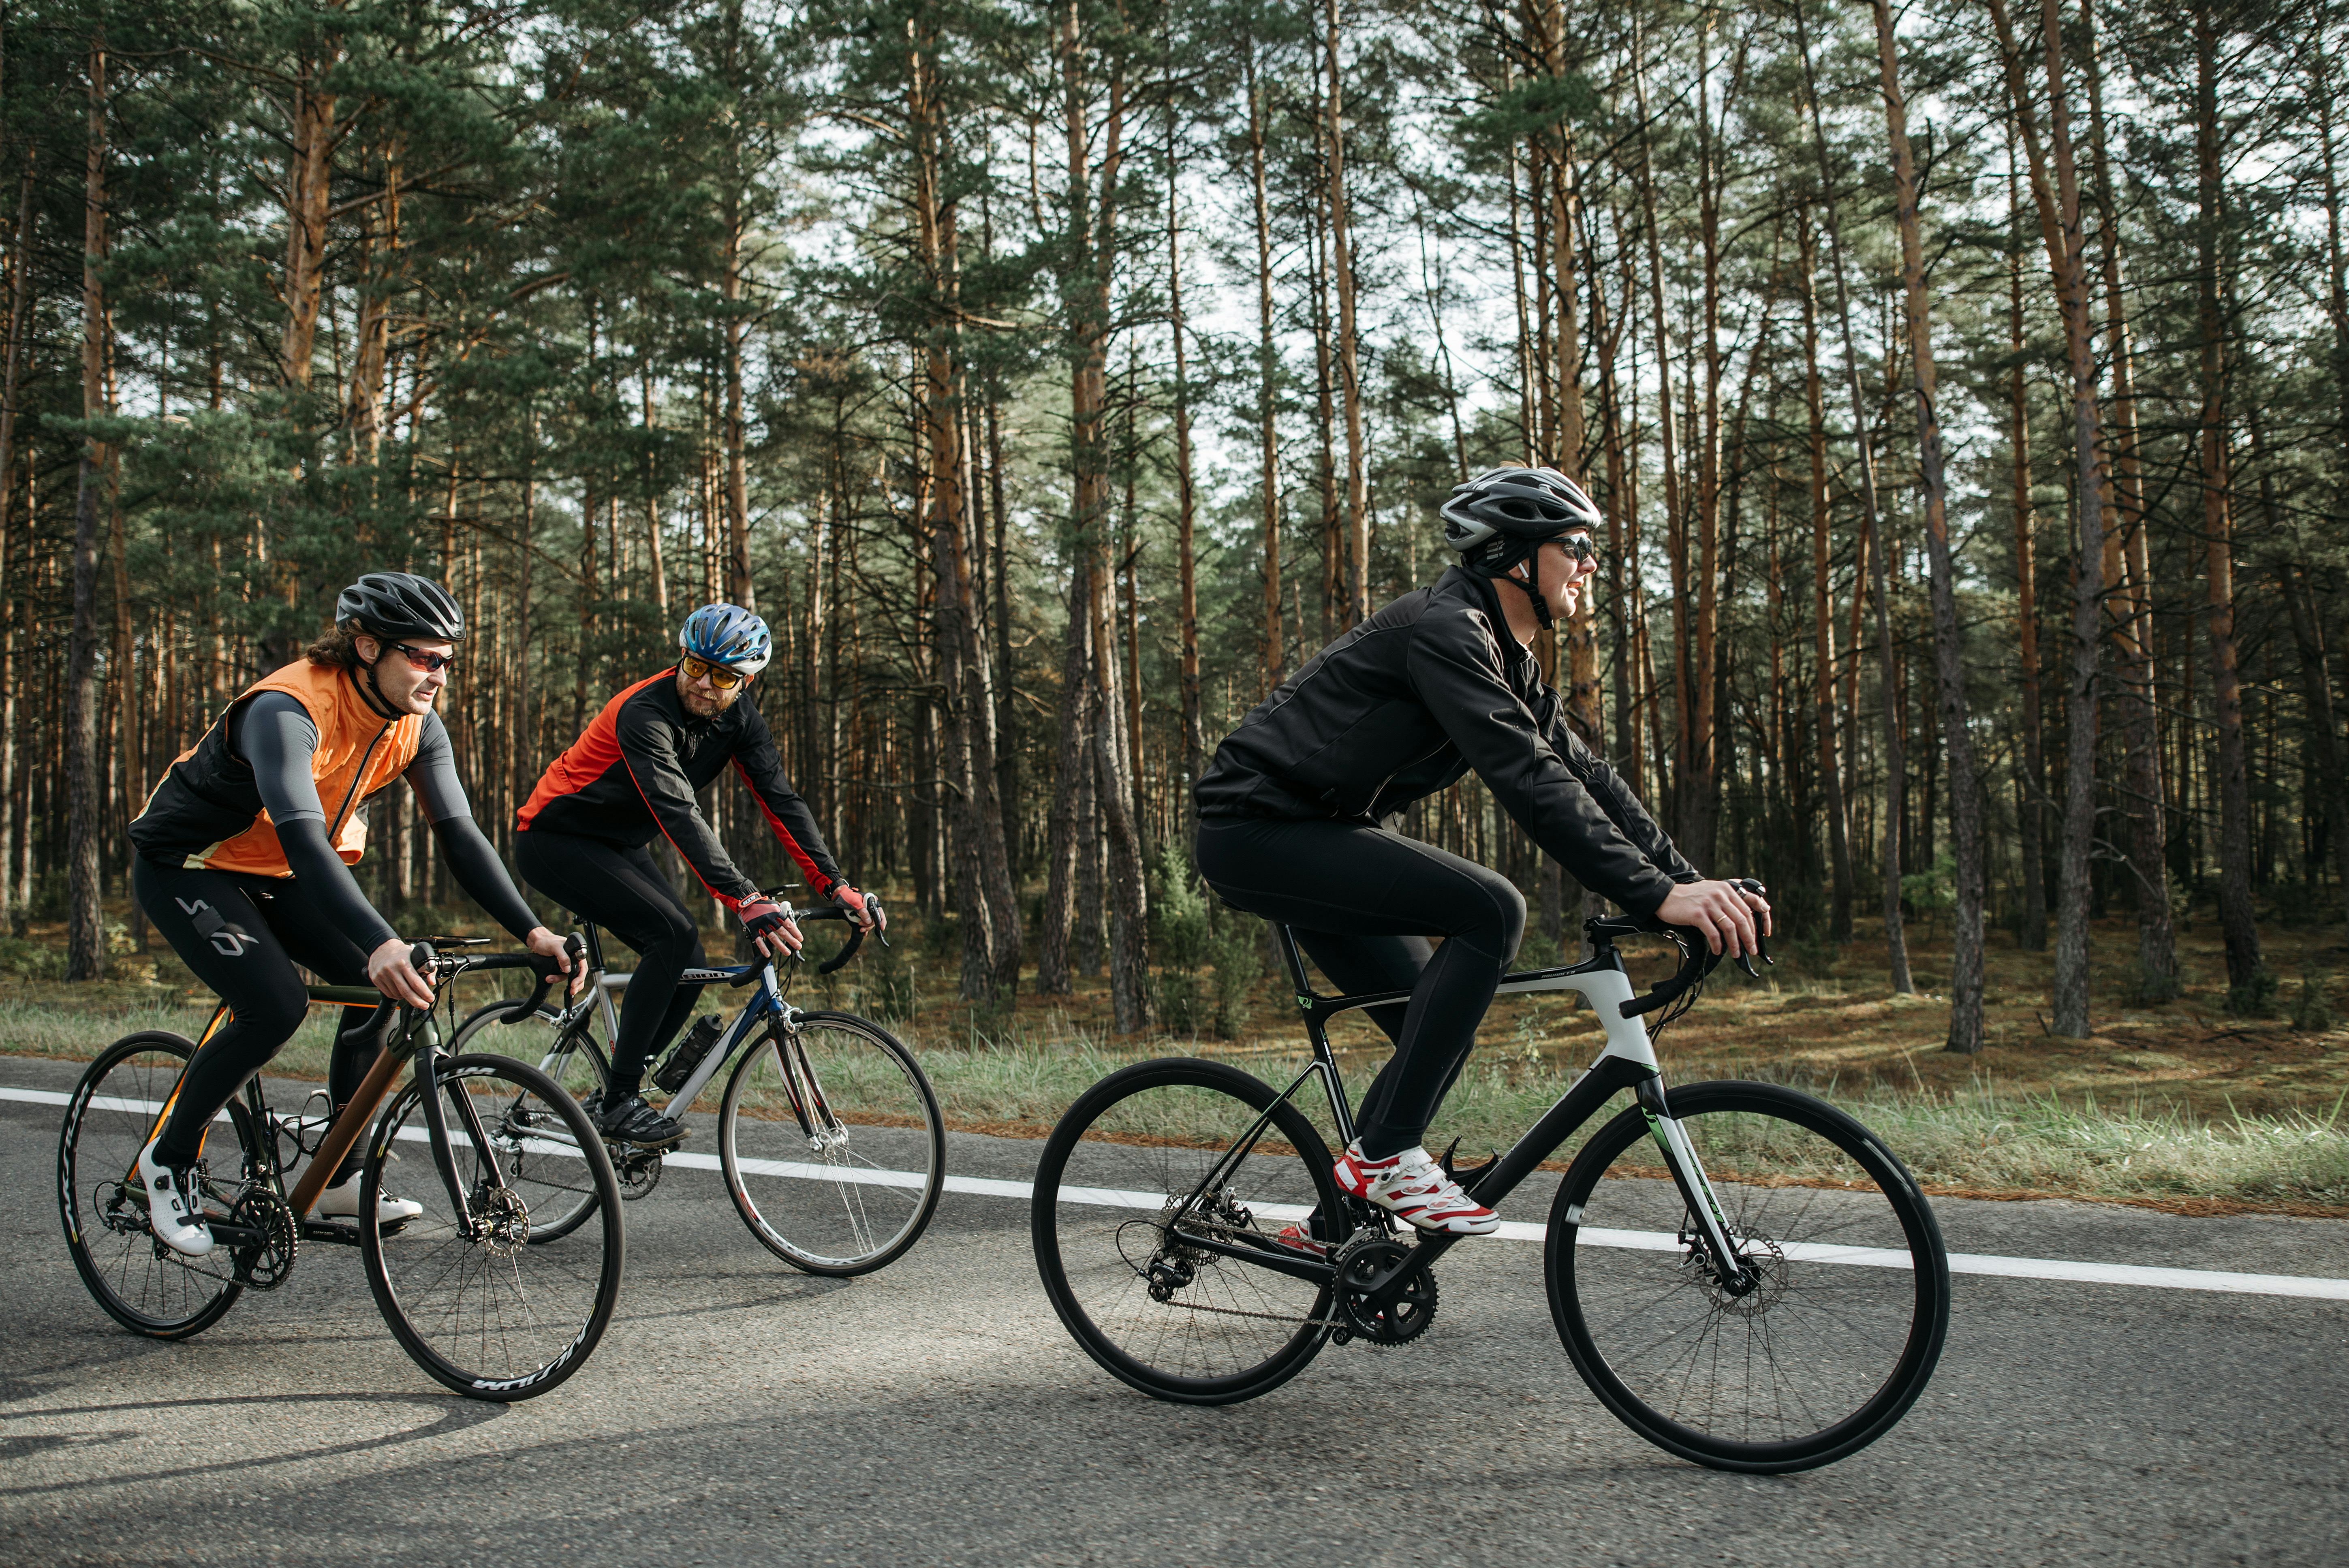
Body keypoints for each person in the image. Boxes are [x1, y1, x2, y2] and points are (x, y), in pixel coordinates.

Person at [1194, 466, 1770, 1237]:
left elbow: (1584, 774)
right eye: (1575, 545)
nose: (1590, 562)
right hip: (1252, 831)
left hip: (1317, 831)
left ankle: (1342, 1240)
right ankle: (1384, 1159)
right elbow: (1527, 779)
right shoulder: (1446, 631)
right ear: (1514, 557)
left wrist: (1684, 882)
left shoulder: (1502, 652)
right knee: (1492, 907)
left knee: (1434, 1031)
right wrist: (1651, 896)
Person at [128, 573, 579, 1258]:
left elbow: (458, 833)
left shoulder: (416, 726)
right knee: (274, 1003)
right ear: (367, 648)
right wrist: (378, 939)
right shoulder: (288, 707)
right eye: (424, 657)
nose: (439, 675)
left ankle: (339, 1176)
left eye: (447, 660)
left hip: (276, 871)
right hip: (190, 865)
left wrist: (534, 929)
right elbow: (307, 837)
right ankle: (167, 1159)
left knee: (384, 993)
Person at [513, 603, 879, 1146]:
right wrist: (743, 897)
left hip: (615, 842)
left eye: (725, 675)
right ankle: (619, 1101)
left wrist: (836, 884)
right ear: (682, 656)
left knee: (690, 961)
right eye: (697, 666)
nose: (705, 684)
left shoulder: (740, 720)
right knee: (674, 934)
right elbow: (677, 809)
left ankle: (620, 1080)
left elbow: (780, 800)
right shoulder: (645, 712)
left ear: (746, 680)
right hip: (554, 837)